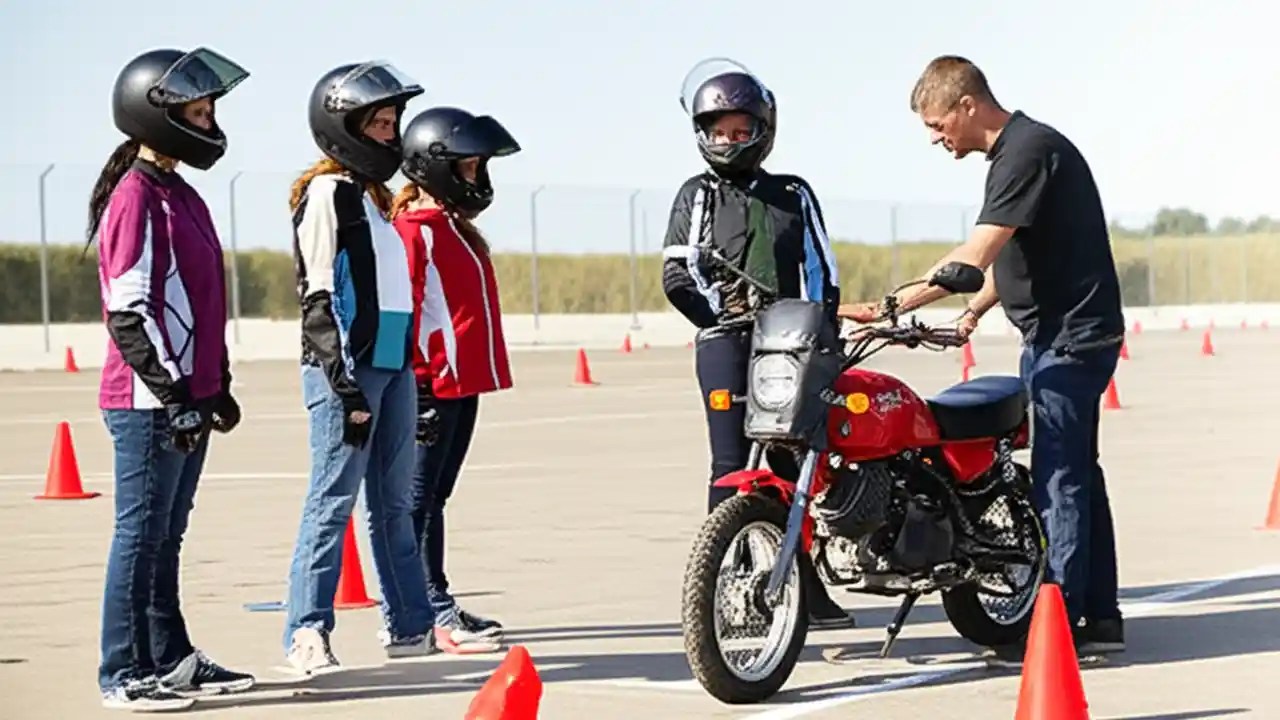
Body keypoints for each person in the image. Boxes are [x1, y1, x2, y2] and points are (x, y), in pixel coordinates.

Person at [841, 55, 1126, 656]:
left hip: (1069, 341)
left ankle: (1060, 624)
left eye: (938, 124)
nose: (936, 138)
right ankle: (1099, 616)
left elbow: (974, 257)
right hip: (1060, 337)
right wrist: (974, 313)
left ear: (967, 106)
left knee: (1058, 481)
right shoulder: (1020, 152)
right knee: (1077, 470)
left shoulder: (1026, 151)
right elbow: (1012, 256)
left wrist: (888, 305)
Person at [661, 58, 855, 630]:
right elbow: (678, 273)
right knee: (729, 463)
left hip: (791, 345)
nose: (729, 139)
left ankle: (802, 584)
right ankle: (725, 586)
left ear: (763, 129)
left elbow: (822, 271)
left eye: (740, 129)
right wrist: (727, 313)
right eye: (718, 129)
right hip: (724, 342)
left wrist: (821, 330)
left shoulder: (792, 192)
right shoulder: (696, 194)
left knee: (797, 463)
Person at [89, 46, 256, 711]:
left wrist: (215, 383)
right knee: (138, 535)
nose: (209, 117)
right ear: (154, 112)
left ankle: (172, 659)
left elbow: (197, 298)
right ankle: (121, 672)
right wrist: (174, 394)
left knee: (166, 536)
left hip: (186, 394)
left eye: (210, 106)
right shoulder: (135, 195)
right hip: (146, 400)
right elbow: (128, 309)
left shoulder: (178, 192)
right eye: (197, 107)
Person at [281, 60, 438, 674]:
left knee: (393, 503)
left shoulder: (374, 203)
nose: (390, 135)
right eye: (377, 123)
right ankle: (306, 633)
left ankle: (411, 626)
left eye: (393, 123)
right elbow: (317, 294)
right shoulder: (328, 194)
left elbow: (396, 296)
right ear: (343, 127)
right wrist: (342, 383)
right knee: (332, 501)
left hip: (393, 366)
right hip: (346, 370)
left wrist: (412, 377)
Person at [386, 106, 521, 654]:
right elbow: (404, 311)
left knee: (435, 498)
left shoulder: (454, 229)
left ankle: (431, 598)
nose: (477, 178)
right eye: (468, 167)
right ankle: (425, 608)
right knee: (417, 501)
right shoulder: (414, 232)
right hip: (431, 389)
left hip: (461, 387)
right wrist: (415, 386)